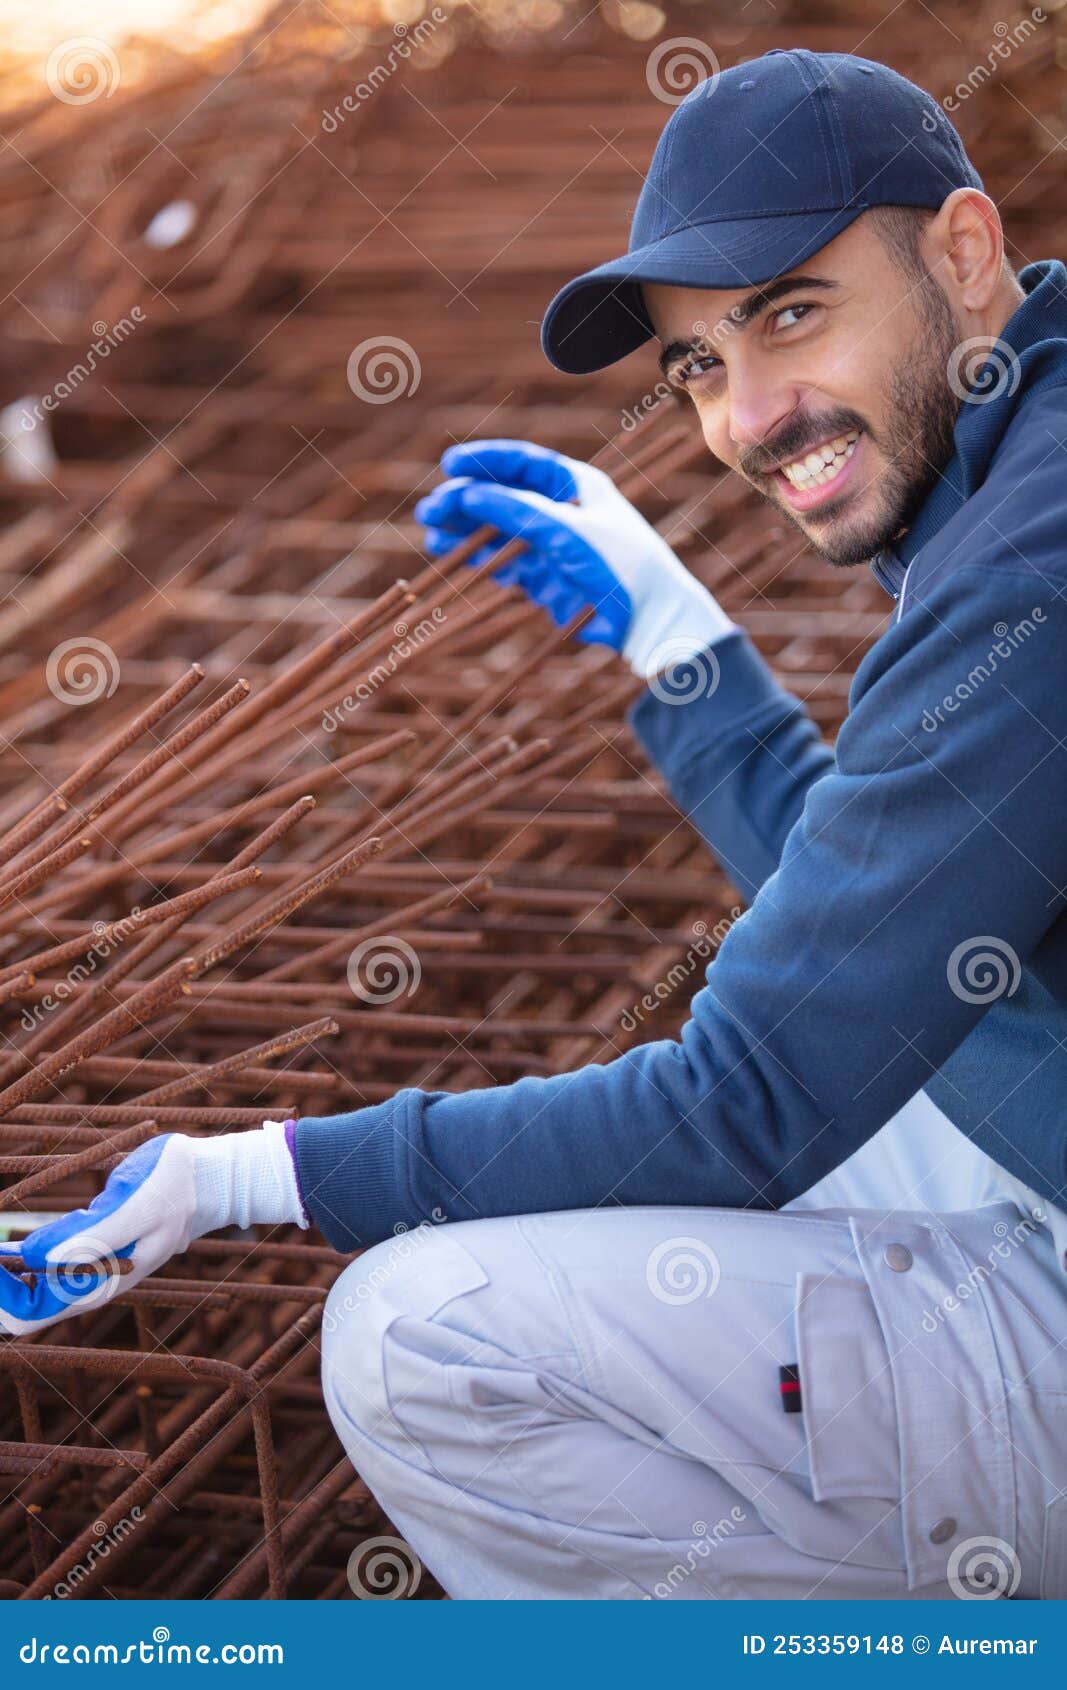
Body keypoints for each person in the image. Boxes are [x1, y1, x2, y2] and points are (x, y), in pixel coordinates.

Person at [3, 49, 1066, 1602]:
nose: (751, 415)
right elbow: (903, 941)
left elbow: (750, 1095)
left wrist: (255, 1174)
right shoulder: (1019, 468)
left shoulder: (1028, 562)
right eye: (699, 366)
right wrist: (683, 657)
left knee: (426, 1333)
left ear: (965, 253)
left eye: (791, 315)